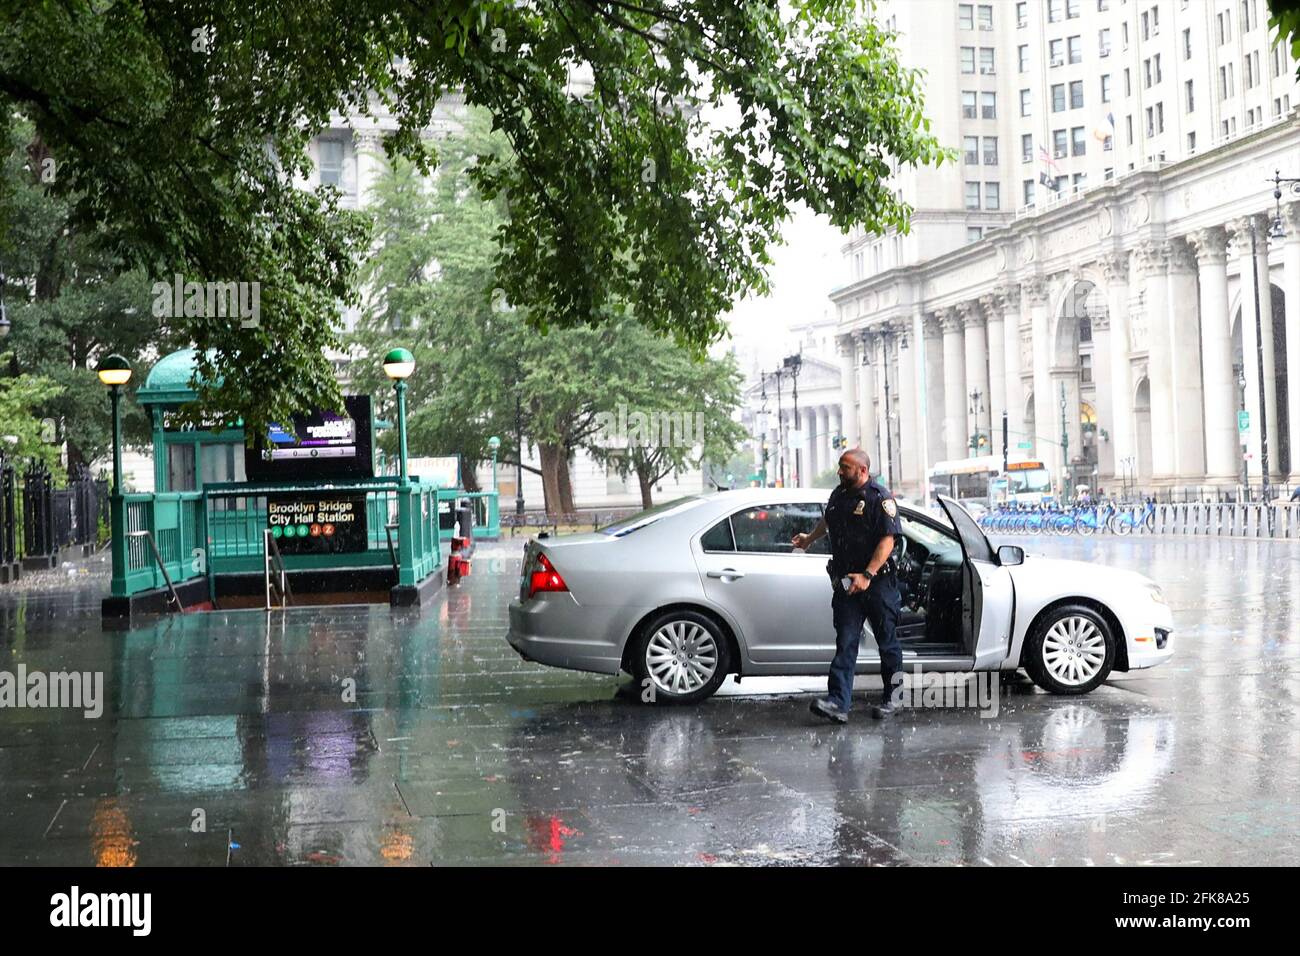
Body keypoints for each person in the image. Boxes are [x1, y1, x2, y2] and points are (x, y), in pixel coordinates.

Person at [792, 448, 903, 724]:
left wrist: (867, 574)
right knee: (846, 642)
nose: (840, 471)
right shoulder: (839, 494)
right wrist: (809, 539)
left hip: (877, 584)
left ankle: (894, 698)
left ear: (862, 471)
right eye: (840, 466)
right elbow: (829, 520)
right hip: (846, 584)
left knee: (887, 643)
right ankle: (838, 703)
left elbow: (887, 541)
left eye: (845, 467)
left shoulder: (880, 499)